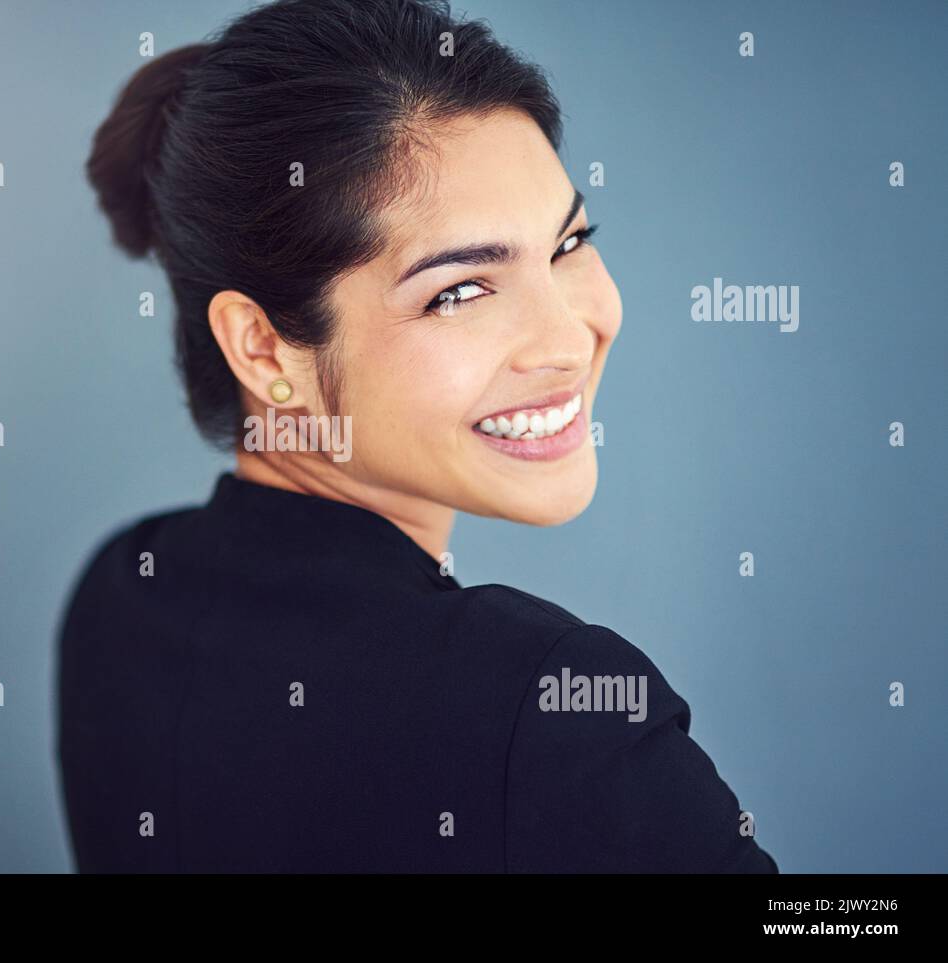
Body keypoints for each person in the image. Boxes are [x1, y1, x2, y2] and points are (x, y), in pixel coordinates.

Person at [57, 0, 778, 873]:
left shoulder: (119, 595)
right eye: (462, 289)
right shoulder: (554, 713)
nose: (567, 339)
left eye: (569, 243)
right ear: (262, 345)